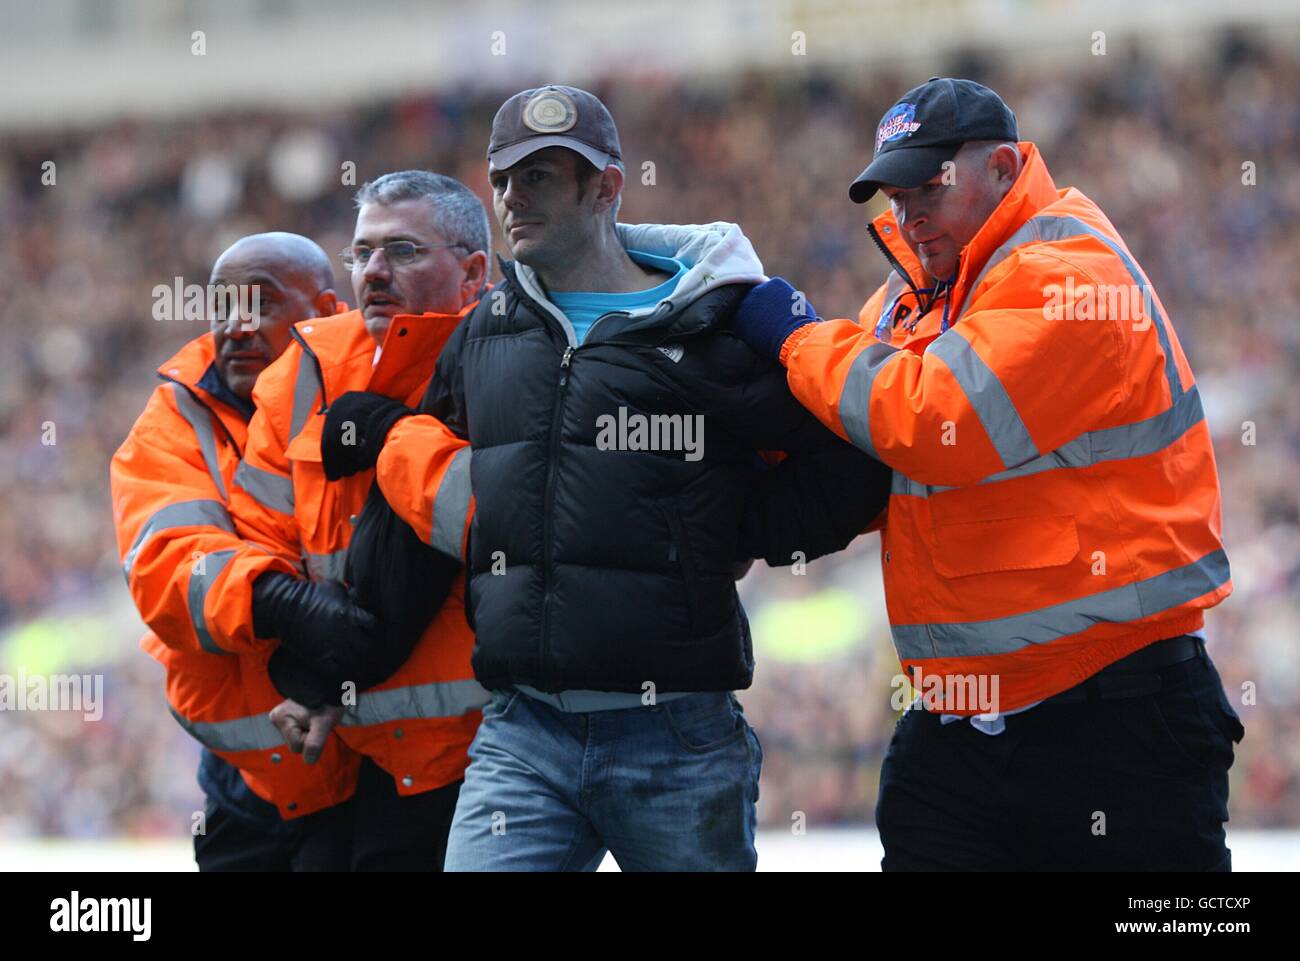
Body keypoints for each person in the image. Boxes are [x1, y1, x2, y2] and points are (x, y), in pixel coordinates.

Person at [328, 85, 891, 871]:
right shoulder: (488, 330)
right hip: (521, 735)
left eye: (540, 178)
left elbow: (849, 463)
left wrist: (730, 527)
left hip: (678, 741)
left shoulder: (710, 327)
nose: (512, 199)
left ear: (606, 187)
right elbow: (451, 489)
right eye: (502, 180)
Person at [730, 77, 1242, 871]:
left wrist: (792, 336)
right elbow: (853, 439)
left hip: (1115, 712)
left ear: (1004, 167)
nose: (909, 211)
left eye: (930, 183)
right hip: (963, 720)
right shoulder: (917, 297)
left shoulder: (1071, 272)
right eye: (896, 194)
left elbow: (936, 421)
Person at [229, 171, 492, 871]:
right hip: (355, 759)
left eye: (402, 251)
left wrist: (391, 434)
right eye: (362, 253)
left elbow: (500, 523)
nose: (374, 271)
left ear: (473, 272)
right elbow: (260, 541)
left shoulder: (517, 357)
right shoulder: (303, 374)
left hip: (503, 757)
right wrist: (299, 638)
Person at [110, 232, 359, 871]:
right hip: (247, 785)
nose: (237, 327)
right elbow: (167, 563)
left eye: (262, 305)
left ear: (328, 311)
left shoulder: (376, 394)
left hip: (375, 773)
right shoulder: (175, 419)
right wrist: (284, 601)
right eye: (224, 307)